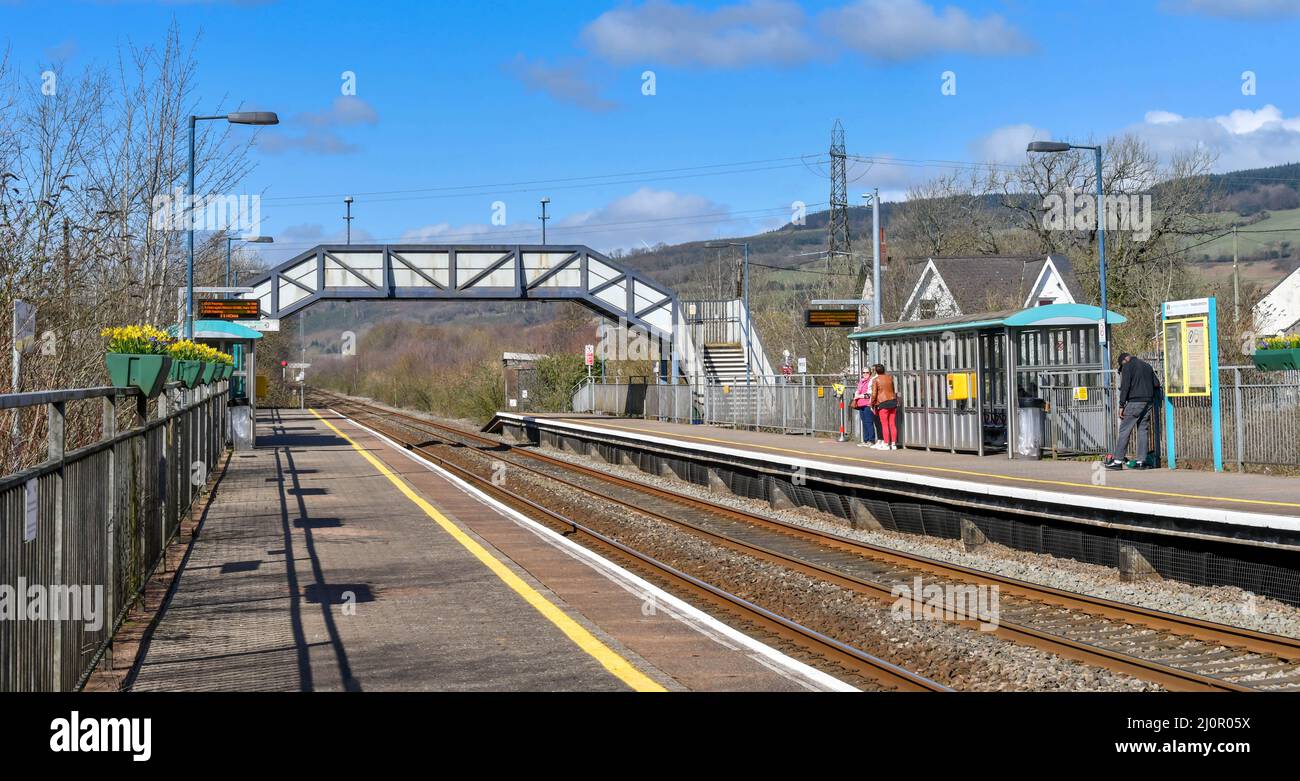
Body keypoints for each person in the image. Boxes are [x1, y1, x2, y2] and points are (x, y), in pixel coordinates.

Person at [1105, 352, 1159, 470]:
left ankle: (1118, 460)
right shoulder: (1147, 366)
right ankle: (1141, 461)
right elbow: (1157, 383)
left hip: (1135, 402)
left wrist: (1121, 405)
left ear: (1124, 360)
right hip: (1148, 402)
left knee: (1124, 430)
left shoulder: (1128, 366)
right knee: (1142, 430)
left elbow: (1125, 386)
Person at [871, 363, 899, 450]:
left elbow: (874, 394)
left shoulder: (875, 380)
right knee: (892, 424)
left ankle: (886, 444)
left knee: (884, 424)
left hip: (883, 403)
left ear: (876, 371)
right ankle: (893, 444)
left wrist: (872, 403)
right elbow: (893, 390)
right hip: (893, 402)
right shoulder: (890, 378)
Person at [852, 366, 877, 447]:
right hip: (860, 404)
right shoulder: (861, 381)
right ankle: (865, 440)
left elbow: (869, 394)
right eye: (864, 372)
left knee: (869, 422)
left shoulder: (871, 381)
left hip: (867, 404)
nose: (865, 374)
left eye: (867, 372)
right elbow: (858, 390)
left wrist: (859, 396)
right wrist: (856, 394)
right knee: (864, 423)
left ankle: (871, 440)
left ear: (870, 373)